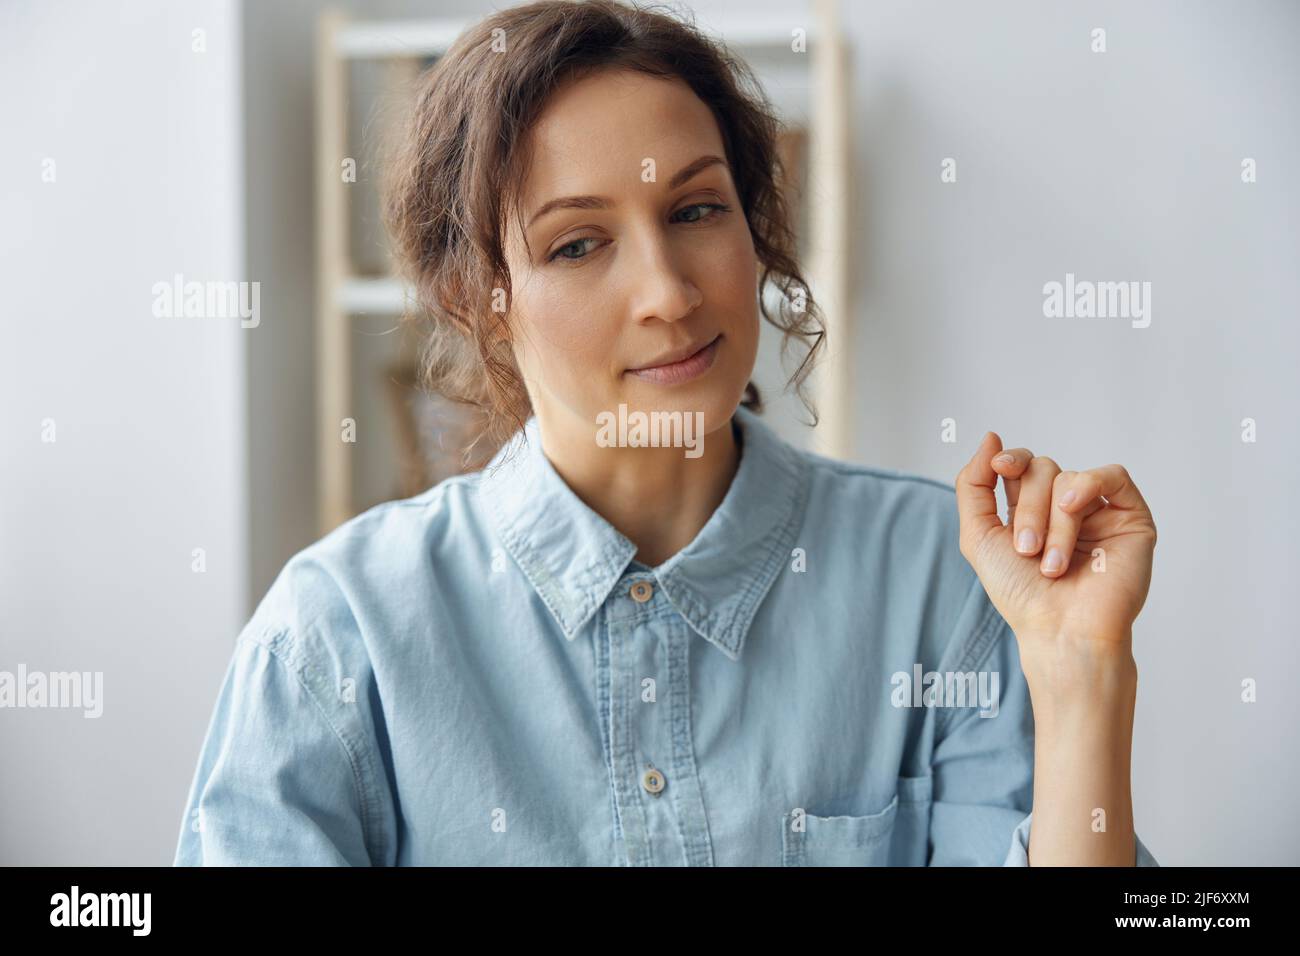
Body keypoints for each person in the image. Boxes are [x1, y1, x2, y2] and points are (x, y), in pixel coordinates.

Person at [174, 0, 1158, 866]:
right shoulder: (336, 635)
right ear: (480, 297)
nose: (669, 291)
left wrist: (1081, 678)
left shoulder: (948, 586)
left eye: (695, 209)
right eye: (577, 242)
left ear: (756, 227)